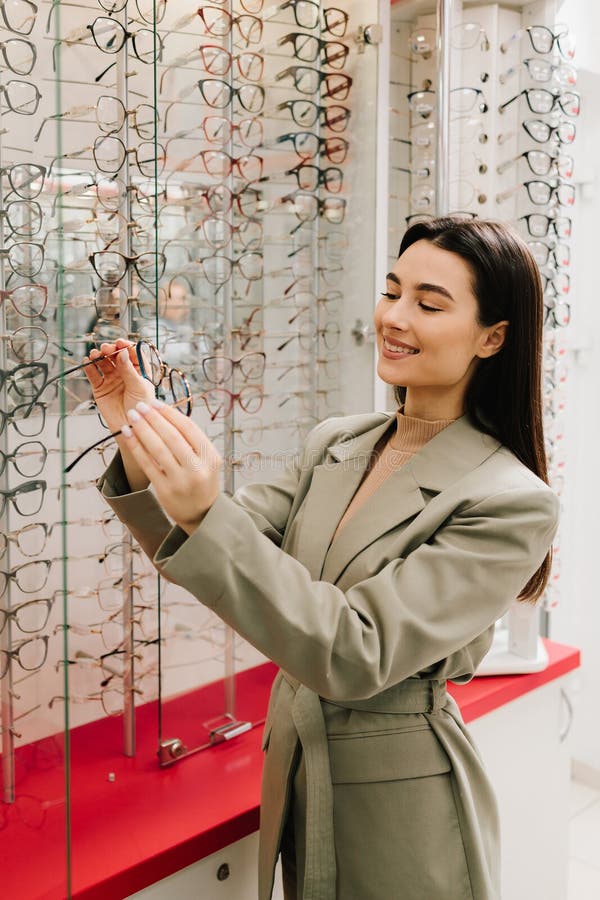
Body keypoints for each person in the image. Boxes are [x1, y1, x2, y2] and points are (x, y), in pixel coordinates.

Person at [84, 217, 559, 900]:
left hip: (400, 799)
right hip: (296, 766)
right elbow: (214, 547)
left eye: (428, 304)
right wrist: (141, 434)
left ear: (494, 337)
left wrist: (205, 512)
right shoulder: (338, 442)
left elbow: (355, 652)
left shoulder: (511, 501)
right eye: (392, 292)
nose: (394, 317)